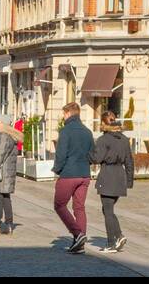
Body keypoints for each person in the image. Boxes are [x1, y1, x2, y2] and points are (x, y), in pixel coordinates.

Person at [50, 102, 94, 253]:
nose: (63, 116)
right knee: (79, 207)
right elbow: (92, 154)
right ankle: (79, 245)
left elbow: (61, 154)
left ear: (68, 113)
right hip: (84, 175)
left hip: (69, 174)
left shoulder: (66, 131)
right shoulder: (88, 132)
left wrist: (57, 169)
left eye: (64, 114)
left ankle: (78, 233)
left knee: (59, 205)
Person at [89, 110, 134, 252]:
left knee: (108, 210)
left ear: (103, 123)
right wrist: (129, 181)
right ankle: (118, 236)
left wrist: (87, 153)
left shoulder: (104, 140)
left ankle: (111, 242)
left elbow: (96, 158)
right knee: (108, 209)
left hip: (108, 175)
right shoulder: (124, 139)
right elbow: (129, 161)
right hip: (120, 176)